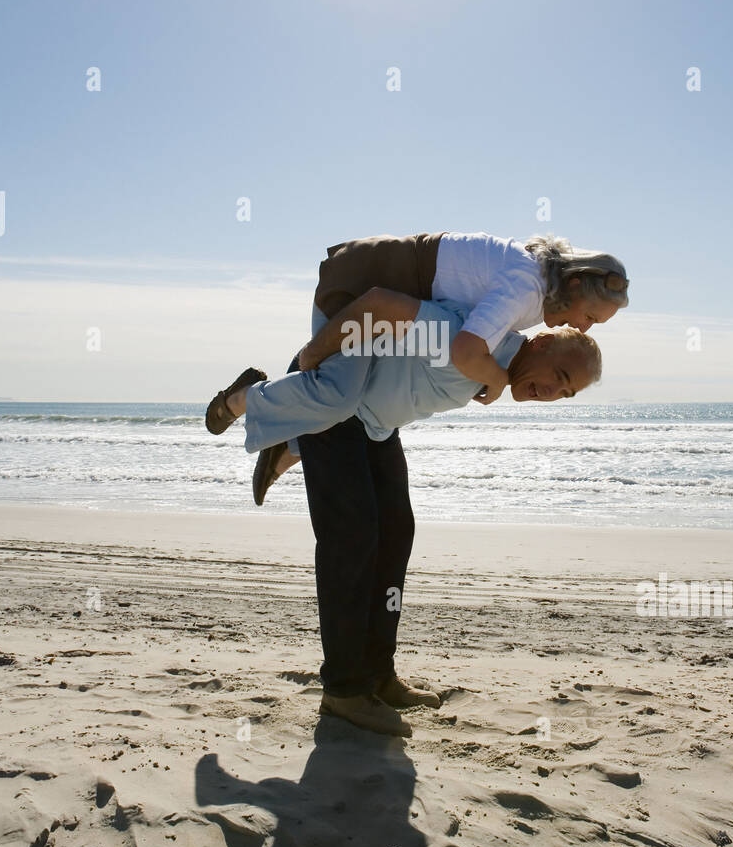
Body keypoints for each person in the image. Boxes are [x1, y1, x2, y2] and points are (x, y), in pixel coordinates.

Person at [227, 294, 602, 738]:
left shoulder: (494, 369)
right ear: (537, 345)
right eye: (559, 376)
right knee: (352, 542)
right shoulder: (468, 340)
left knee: (395, 537)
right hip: (338, 415)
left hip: (376, 427)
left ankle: (378, 675)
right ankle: (344, 691)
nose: (553, 394)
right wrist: (316, 353)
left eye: (566, 392)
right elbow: (381, 308)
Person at [205, 231, 628, 504]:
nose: (584, 325)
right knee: (338, 395)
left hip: (386, 309)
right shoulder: (527, 289)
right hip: (355, 291)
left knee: (371, 408)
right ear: (574, 284)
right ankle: (241, 398)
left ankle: (286, 450)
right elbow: (465, 351)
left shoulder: (534, 295)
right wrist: (498, 380)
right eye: (590, 315)